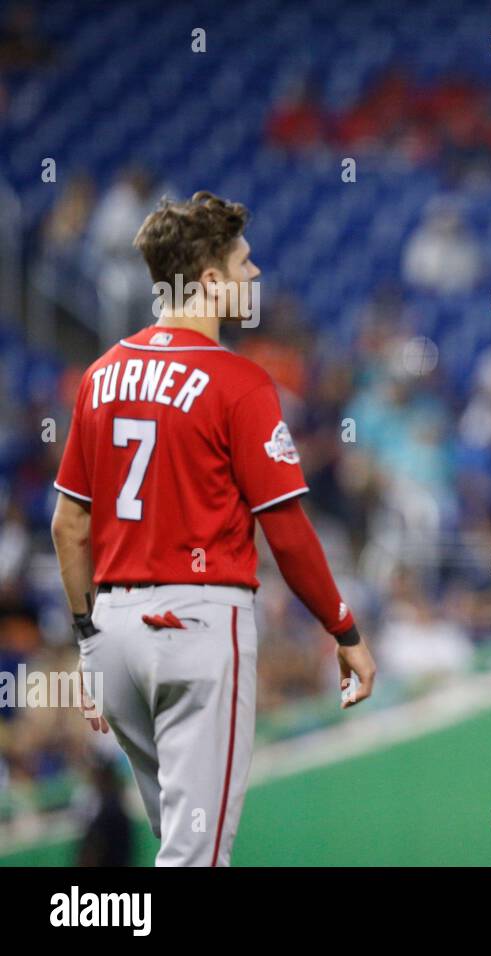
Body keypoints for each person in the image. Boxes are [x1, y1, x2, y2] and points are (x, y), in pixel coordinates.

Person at [50, 191, 376, 866]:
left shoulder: (101, 375)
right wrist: (343, 628)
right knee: (195, 857)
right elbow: (284, 533)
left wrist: (87, 639)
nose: (254, 277)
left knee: (177, 842)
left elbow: (67, 526)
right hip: (198, 624)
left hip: (112, 633)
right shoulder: (239, 382)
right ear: (207, 281)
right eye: (243, 264)